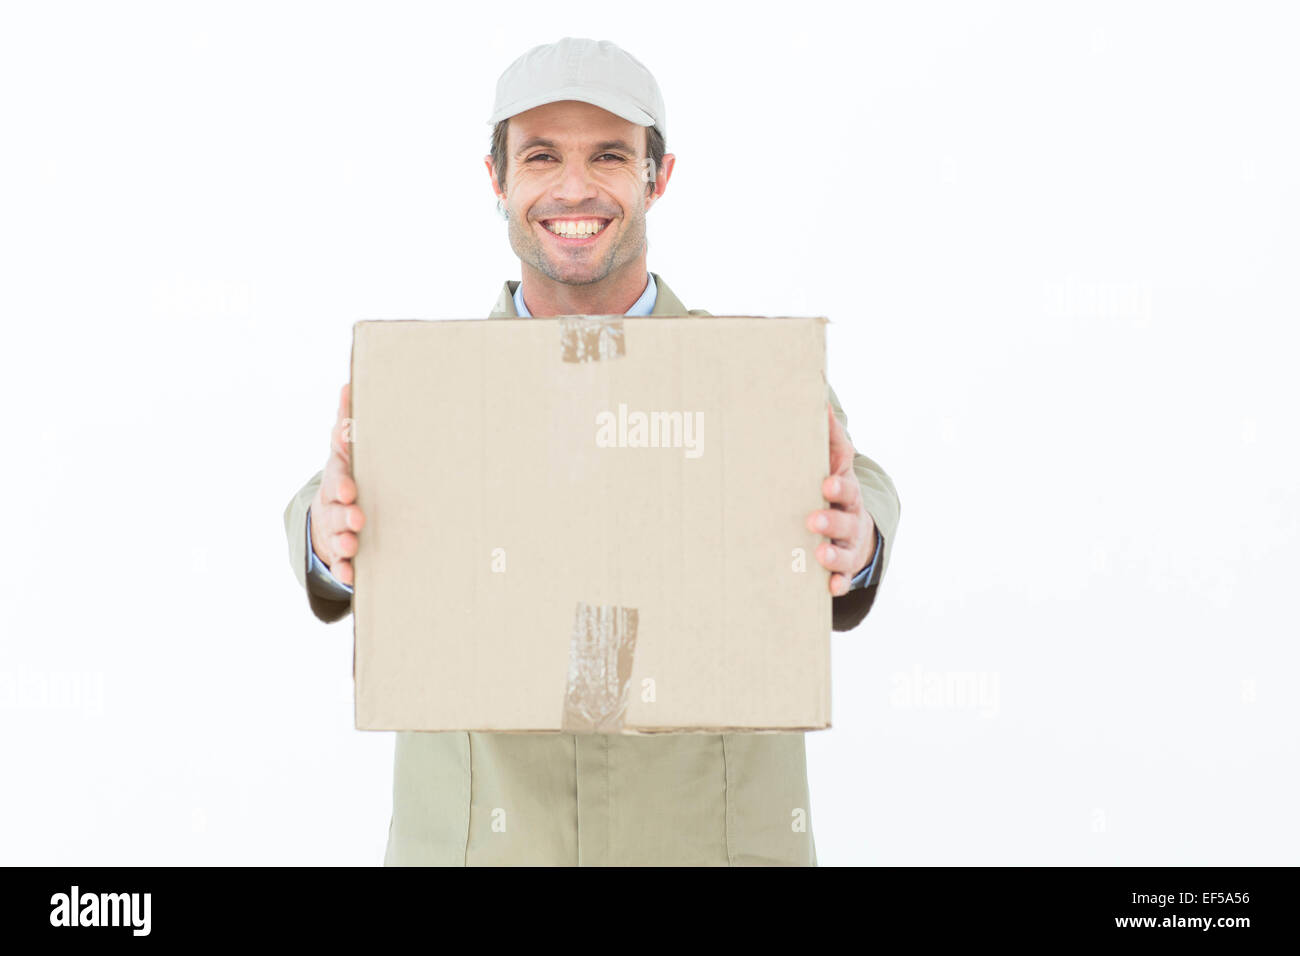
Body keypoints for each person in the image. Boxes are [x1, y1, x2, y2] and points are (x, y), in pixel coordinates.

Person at [282, 36, 900, 865]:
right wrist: (328, 540)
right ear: (498, 179)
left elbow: (854, 483)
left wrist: (856, 546)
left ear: (658, 176)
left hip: (704, 842)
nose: (575, 189)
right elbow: (323, 510)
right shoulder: (433, 391)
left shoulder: (747, 378)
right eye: (542, 157)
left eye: (610, 155)